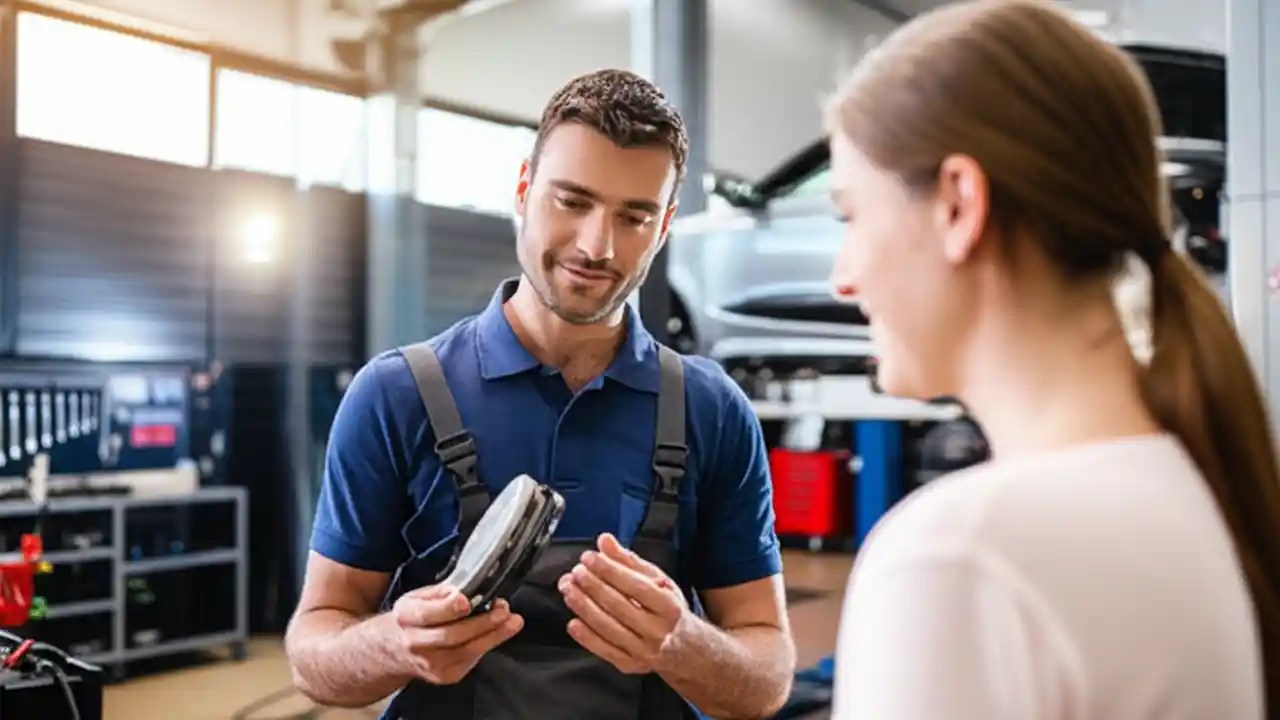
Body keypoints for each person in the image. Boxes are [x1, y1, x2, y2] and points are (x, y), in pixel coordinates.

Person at [284, 68, 795, 720]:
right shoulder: (396, 396)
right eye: (572, 201)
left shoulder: (710, 411)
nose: (596, 245)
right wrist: (395, 643)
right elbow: (313, 653)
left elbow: (767, 676)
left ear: (664, 225)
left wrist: (683, 644)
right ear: (524, 190)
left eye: (633, 216)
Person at [821, 1, 1280, 718]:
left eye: (850, 216)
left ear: (958, 205)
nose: (840, 277)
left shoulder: (960, 557)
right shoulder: (1192, 484)